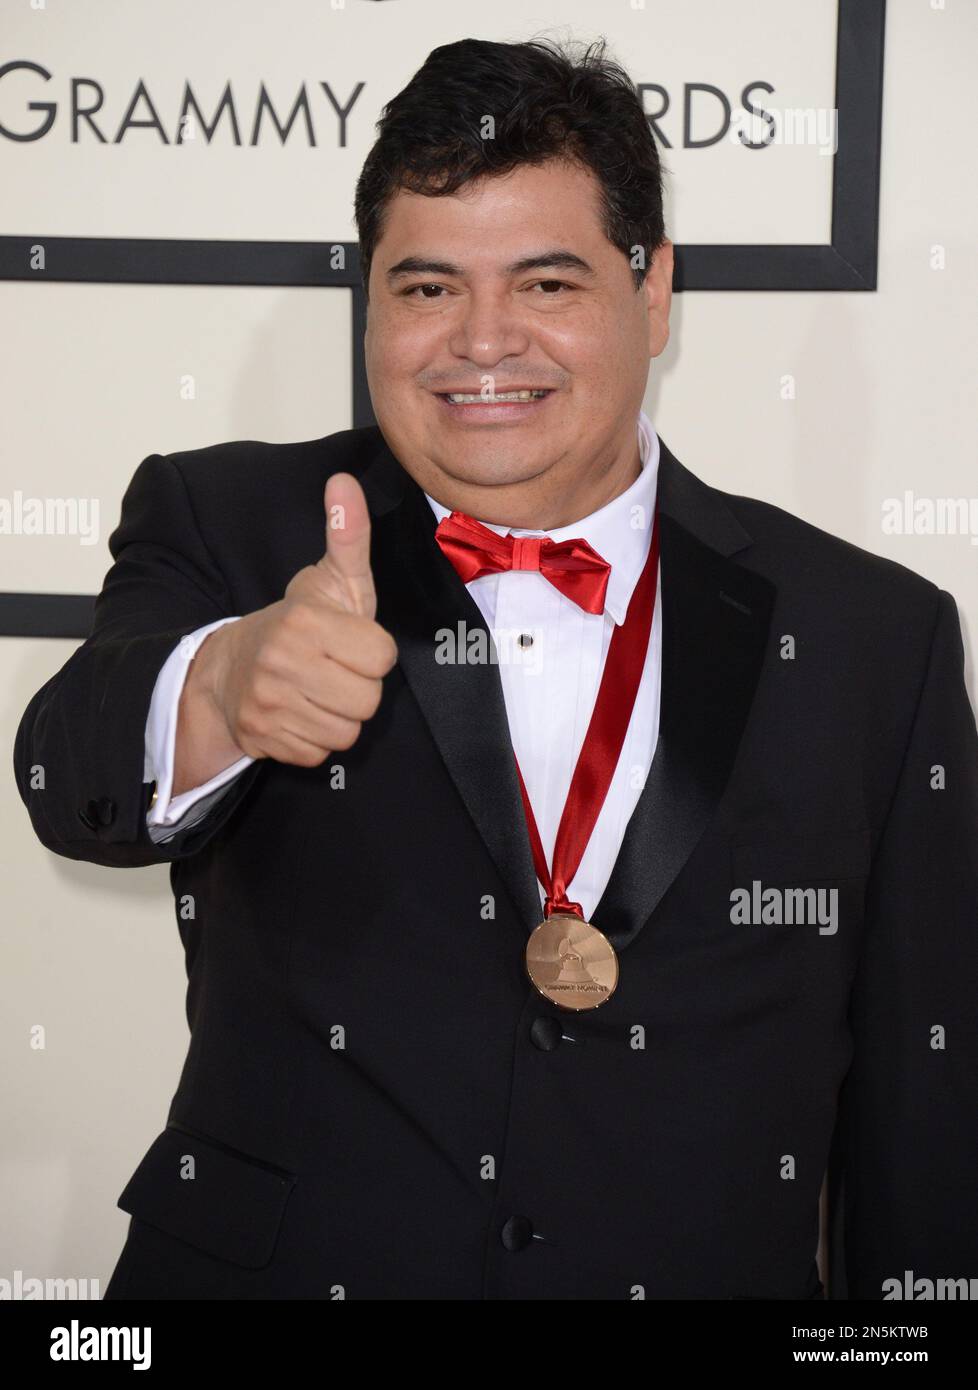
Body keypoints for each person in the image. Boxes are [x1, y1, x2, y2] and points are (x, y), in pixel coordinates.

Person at [14, 35, 978, 1301]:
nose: (481, 343)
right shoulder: (235, 520)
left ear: (654, 292)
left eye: (547, 283)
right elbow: (63, 769)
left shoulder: (873, 632)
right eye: (425, 289)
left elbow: (925, 1101)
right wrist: (221, 684)